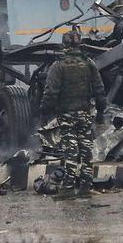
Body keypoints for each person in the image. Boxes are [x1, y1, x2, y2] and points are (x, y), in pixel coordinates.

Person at [40, 30, 106, 201]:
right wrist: (100, 112)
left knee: (70, 151)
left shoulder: (58, 66)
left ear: (64, 44)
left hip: (67, 115)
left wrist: (45, 111)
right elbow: (99, 90)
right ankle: (85, 187)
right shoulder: (88, 63)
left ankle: (68, 188)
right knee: (86, 151)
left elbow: (51, 92)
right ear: (79, 44)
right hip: (85, 114)